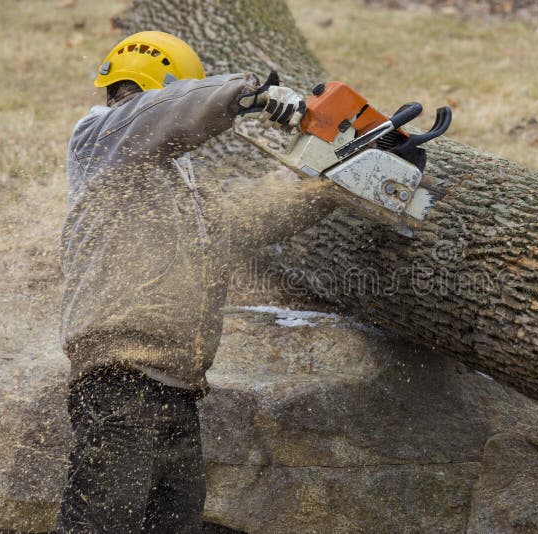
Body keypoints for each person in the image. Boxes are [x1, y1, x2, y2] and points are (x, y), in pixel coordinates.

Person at [57, 30, 318, 532]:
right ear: (171, 88)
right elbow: (159, 114)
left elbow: (248, 213)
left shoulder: (181, 190)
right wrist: (244, 94)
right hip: (120, 376)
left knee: (176, 520)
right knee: (101, 520)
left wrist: (331, 181)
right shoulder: (100, 140)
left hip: (176, 386)